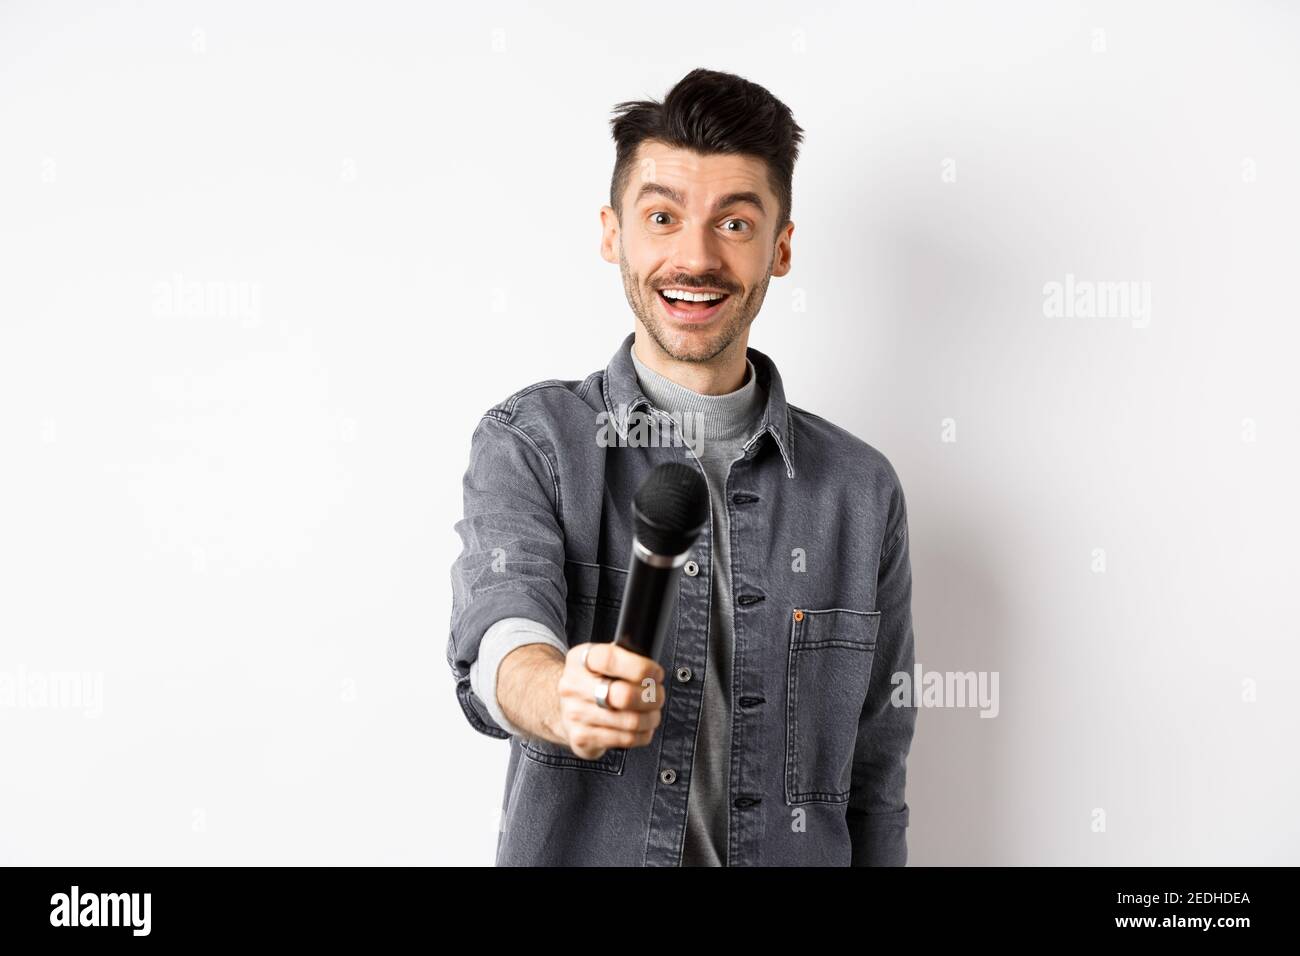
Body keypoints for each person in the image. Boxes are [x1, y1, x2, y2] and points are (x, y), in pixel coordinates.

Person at [447, 67, 917, 866]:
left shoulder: (861, 492)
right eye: (662, 217)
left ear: (782, 246)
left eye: (734, 224)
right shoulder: (532, 441)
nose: (694, 258)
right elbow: (501, 636)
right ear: (612, 233)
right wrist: (560, 696)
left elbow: (875, 780)